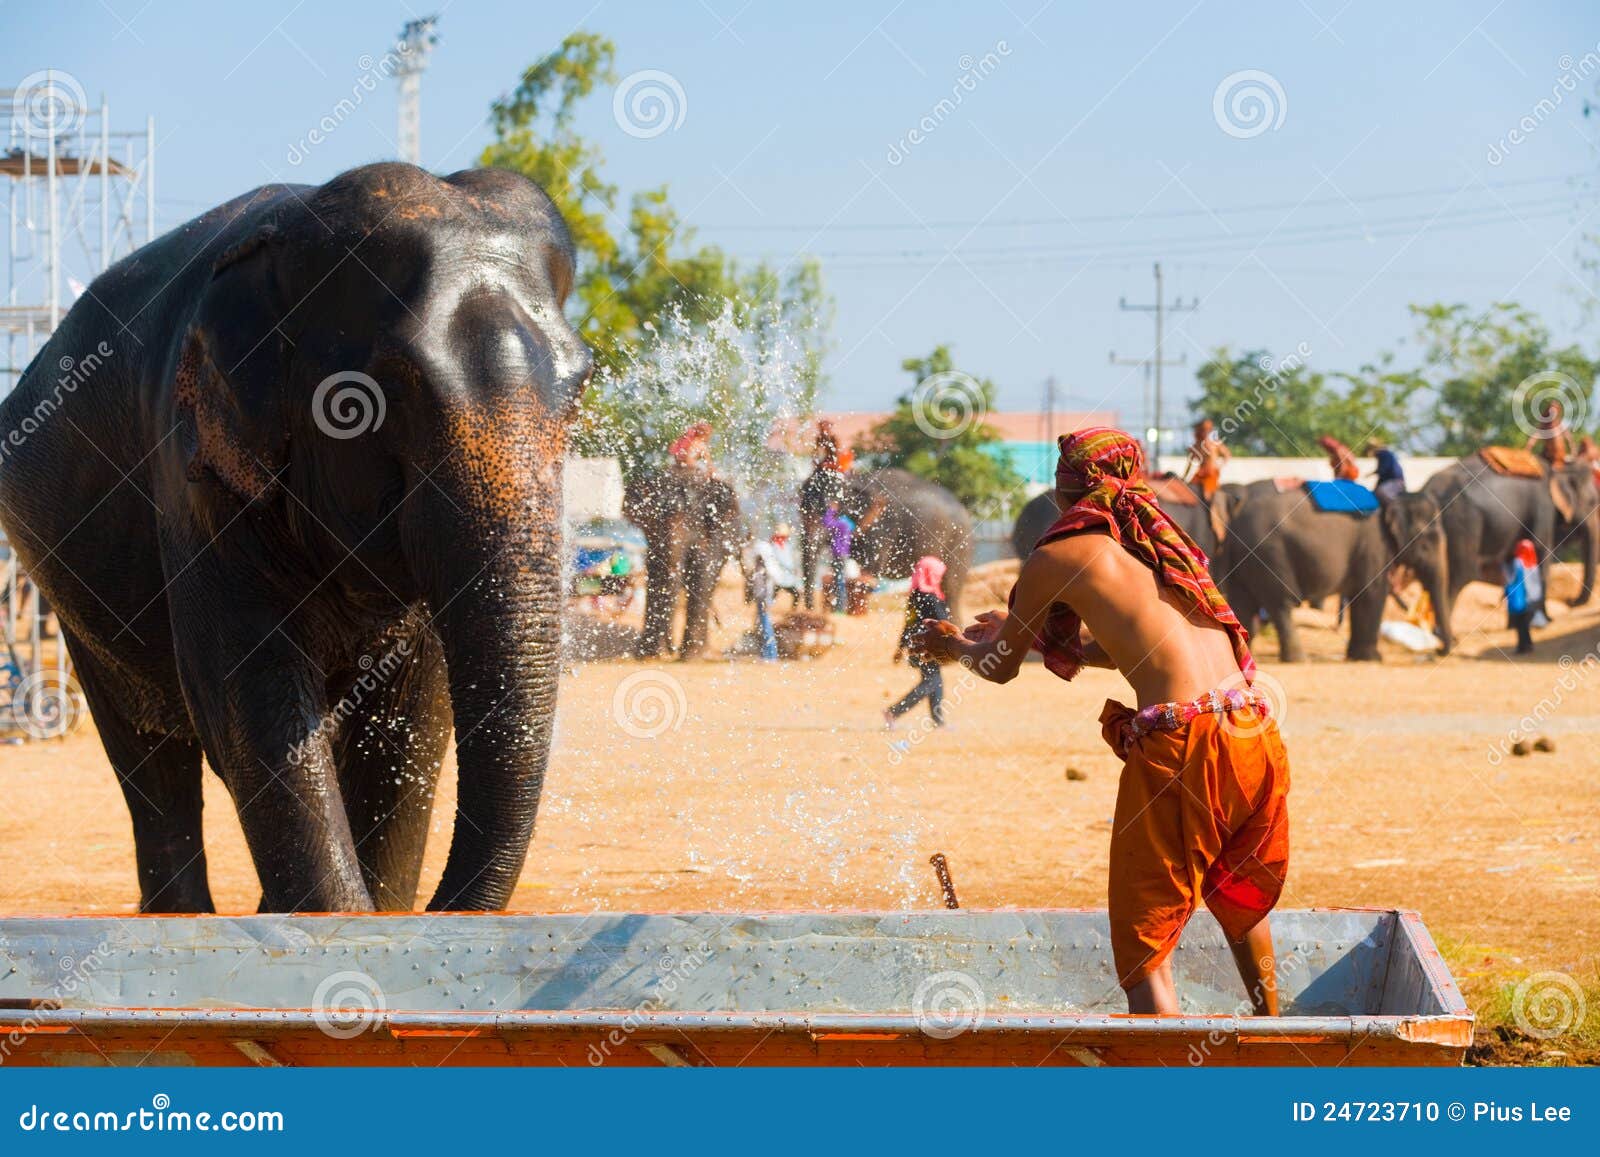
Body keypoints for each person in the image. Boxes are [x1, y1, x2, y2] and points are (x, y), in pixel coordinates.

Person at [915, 427, 1289, 1016]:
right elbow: (1131, 648)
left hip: (1183, 740)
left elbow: (999, 668)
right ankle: (1277, 1036)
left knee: (1143, 949)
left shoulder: (1059, 552)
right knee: (1238, 896)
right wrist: (1030, 637)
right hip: (1251, 727)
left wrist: (956, 646)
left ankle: (1170, 1093)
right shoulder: (1156, 543)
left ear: (1064, 491)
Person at [885, 556, 951, 729]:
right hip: (929, 645)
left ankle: (938, 721)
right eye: (938, 575)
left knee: (935, 680)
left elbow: (909, 624)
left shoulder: (915, 597)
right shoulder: (931, 598)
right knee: (931, 681)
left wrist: (901, 648)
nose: (940, 578)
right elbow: (944, 623)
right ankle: (894, 711)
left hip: (917, 644)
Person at [1503, 539, 1542, 655]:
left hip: (1520, 600)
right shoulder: (1534, 564)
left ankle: (1523, 647)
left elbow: (1511, 578)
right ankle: (1526, 646)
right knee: (1525, 625)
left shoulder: (1517, 562)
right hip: (1532, 599)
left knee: (1521, 625)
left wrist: (1504, 567)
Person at [821, 502, 855, 613]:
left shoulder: (841, 523)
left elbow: (827, 523)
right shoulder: (848, 523)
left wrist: (831, 510)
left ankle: (840, 608)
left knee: (838, 581)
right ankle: (840, 607)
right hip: (843, 554)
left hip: (839, 555)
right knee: (839, 580)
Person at [1184, 419, 1230, 499]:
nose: (1206, 432)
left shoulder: (1214, 443)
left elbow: (1227, 454)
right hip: (1200, 474)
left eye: (1209, 429)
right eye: (1203, 430)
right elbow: (1190, 463)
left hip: (1211, 474)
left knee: (1207, 495)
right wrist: (1184, 478)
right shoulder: (1196, 446)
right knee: (1188, 491)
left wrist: (1219, 466)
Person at [746, 551, 779, 661]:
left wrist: (766, 603)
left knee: (766, 628)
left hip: (764, 601)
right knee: (761, 627)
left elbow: (767, 590)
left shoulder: (764, 573)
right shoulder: (759, 572)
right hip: (761, 601)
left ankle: (771, 655)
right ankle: (766, 654)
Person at [1525, 400, 1573, 468]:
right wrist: (1527, 450)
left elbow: (1569, 440)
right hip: (1546, 454)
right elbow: (1533, 439)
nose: (1553, 413)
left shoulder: (1560, 426)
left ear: (1558, 412)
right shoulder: (1545, 426)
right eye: (1551, 410)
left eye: (1555, 411)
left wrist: (1572, 454)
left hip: (1558, 458)